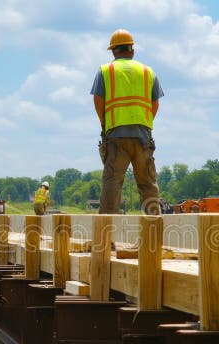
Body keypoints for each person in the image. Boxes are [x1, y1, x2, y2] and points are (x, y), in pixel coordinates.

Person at [91, 29, 164, 215]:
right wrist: (145, 122)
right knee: (148, 184)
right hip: (143, 137)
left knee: (112, 184)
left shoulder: (105, 71)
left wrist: (105, 124)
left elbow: (98, 101)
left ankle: (106, 239)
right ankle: (153, 234)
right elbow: (155, 103)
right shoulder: (148, 72)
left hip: (115, 136)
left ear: (113, 51)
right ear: (132, 50)